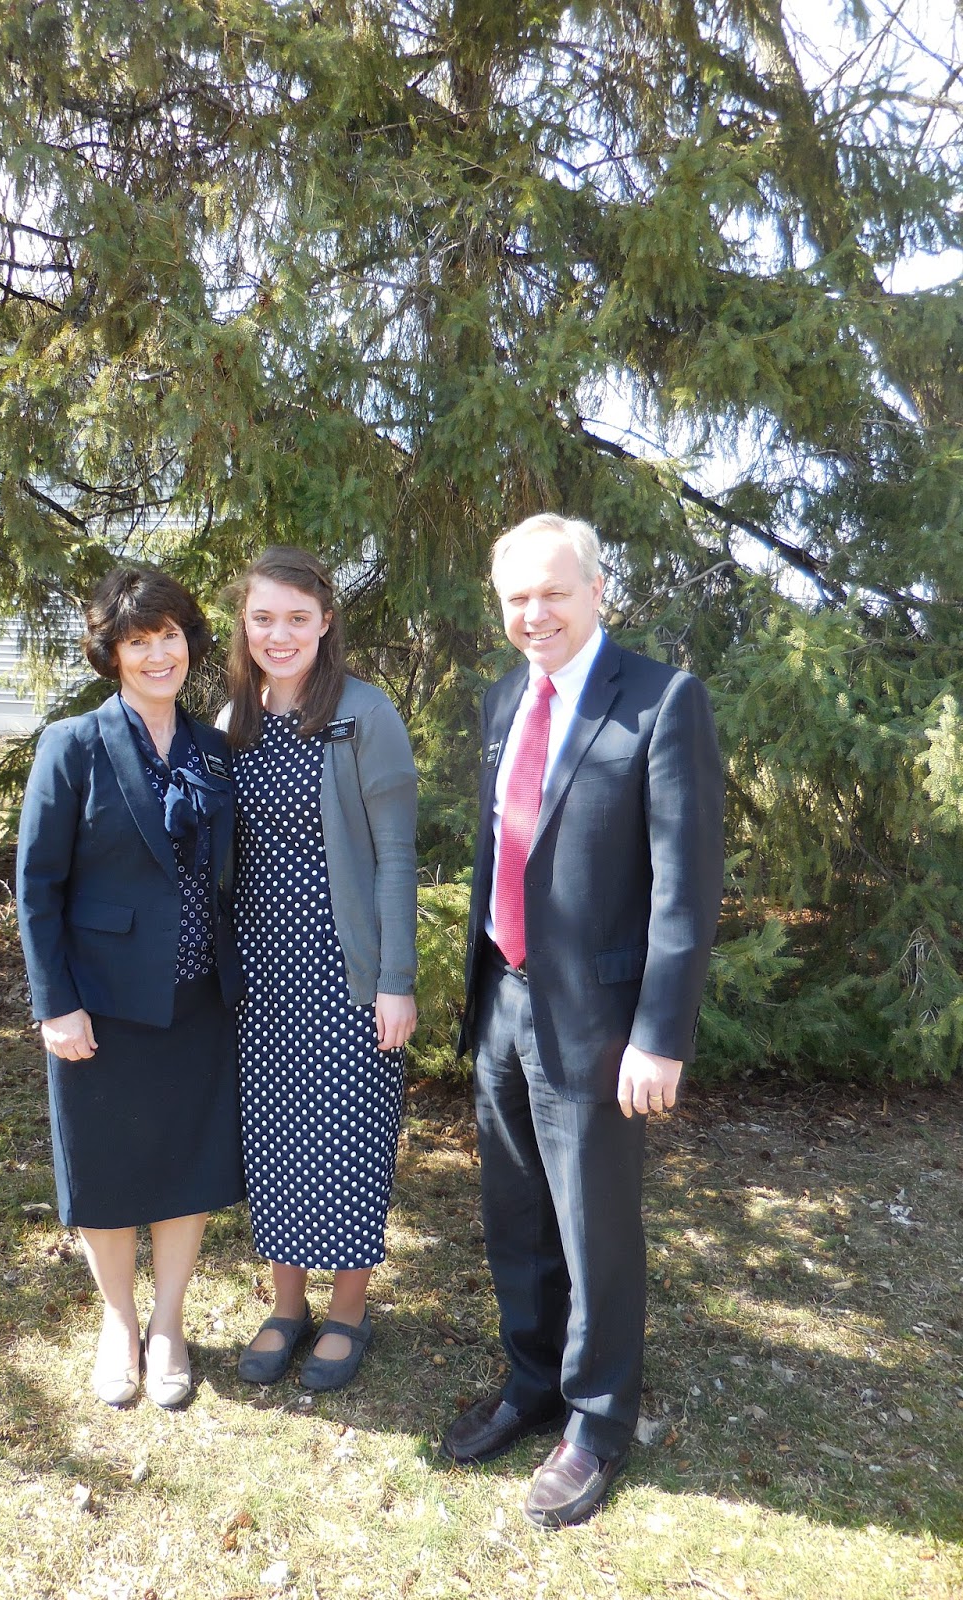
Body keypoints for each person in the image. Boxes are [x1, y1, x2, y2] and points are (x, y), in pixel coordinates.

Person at [439, 514, 724, 1525]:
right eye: (516, 597)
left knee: (595, 1228)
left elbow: (685, 890)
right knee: (515, 1217)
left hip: (600, 1024)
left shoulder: (660, 700)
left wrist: (660, 1032)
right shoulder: (503, 697)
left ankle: (598, 1420)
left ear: (598, 590)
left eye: (553, 593)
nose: (534, 614)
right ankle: (532, 1383)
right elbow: (499, 849)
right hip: (504, 1000)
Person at [16, 567, 245, 1410]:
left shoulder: (214, 750)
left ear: (190, 642)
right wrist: (54, 1002)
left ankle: (170, 1324)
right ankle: (118, 1320)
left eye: (171, 635)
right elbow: (38, 887)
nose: (159, 653)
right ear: (112, 654)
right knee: (107, 1167)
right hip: (100, 1005)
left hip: (197, 1000)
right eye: (138, 641)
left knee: (188, 1164)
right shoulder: (71, 746)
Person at [220, 546, 418, 1392]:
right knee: (275, 1138)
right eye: (264, 617)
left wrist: (397, 980)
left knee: (347, 1138)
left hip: (349, 967)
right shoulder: (235, 720)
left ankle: (347, 1313)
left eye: (298, 617)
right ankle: (286, 1303)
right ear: (245, 625)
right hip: (263, 967)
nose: (280, 633)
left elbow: (397, 857)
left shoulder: (365, 715)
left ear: (326, 622)